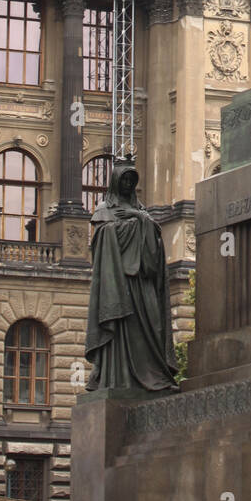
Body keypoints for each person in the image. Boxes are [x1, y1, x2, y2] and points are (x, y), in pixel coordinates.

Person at [85, 158, 178, 393]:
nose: (127, 185)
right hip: (118, 281)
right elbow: (100, 243)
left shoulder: (142, 212)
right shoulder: (103, 210)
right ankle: (118, 378)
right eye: (124, 180)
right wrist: (133, 224)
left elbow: (156, 245)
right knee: (119, 327)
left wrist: (141, 221)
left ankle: (153, 374)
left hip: (142, 279)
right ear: (116, 182)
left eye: (131, 180)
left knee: (153, 326)